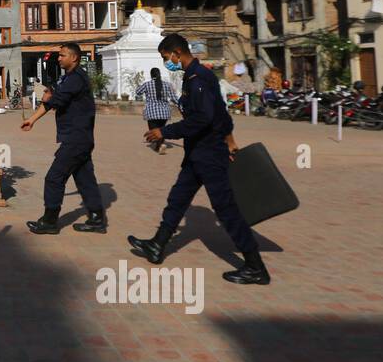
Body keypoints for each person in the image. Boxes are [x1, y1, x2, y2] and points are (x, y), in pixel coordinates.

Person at [127, 33, 270, 285]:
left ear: (176, 53)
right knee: (178, 199)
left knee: (226, 210)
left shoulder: (199, 79)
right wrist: (231, 139)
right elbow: (221, 114)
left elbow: (202, 119)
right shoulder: (194, 77)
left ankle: (255, 267)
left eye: (165, 57)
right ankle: (157, 245)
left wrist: (164, 131)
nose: (165, 62)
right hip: (197, 154)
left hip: (210, 155)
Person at [20, 42, 106, 234]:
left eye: (62, 55)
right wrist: (32, 119)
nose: (59, 58)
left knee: (54, 178)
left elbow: (54, 101)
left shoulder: (76, 79)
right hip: (80, 137)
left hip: (76, 138)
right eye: (59, 55)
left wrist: (39, 111)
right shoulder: (68, 78)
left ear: (74, 58)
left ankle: (50, 221)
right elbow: (53, 97)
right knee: (85, 178)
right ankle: (96, 218)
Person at [134, 67, 179, 153]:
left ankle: (160, 145)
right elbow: (174, 98)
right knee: (161, 130)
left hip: (152, 112)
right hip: (164, 112)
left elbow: (138, 92)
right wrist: (181, 105)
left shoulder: (147, 84)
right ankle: (160, 146)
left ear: (151, 75)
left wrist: (138, 84)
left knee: (154, 131)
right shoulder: (167, 85)